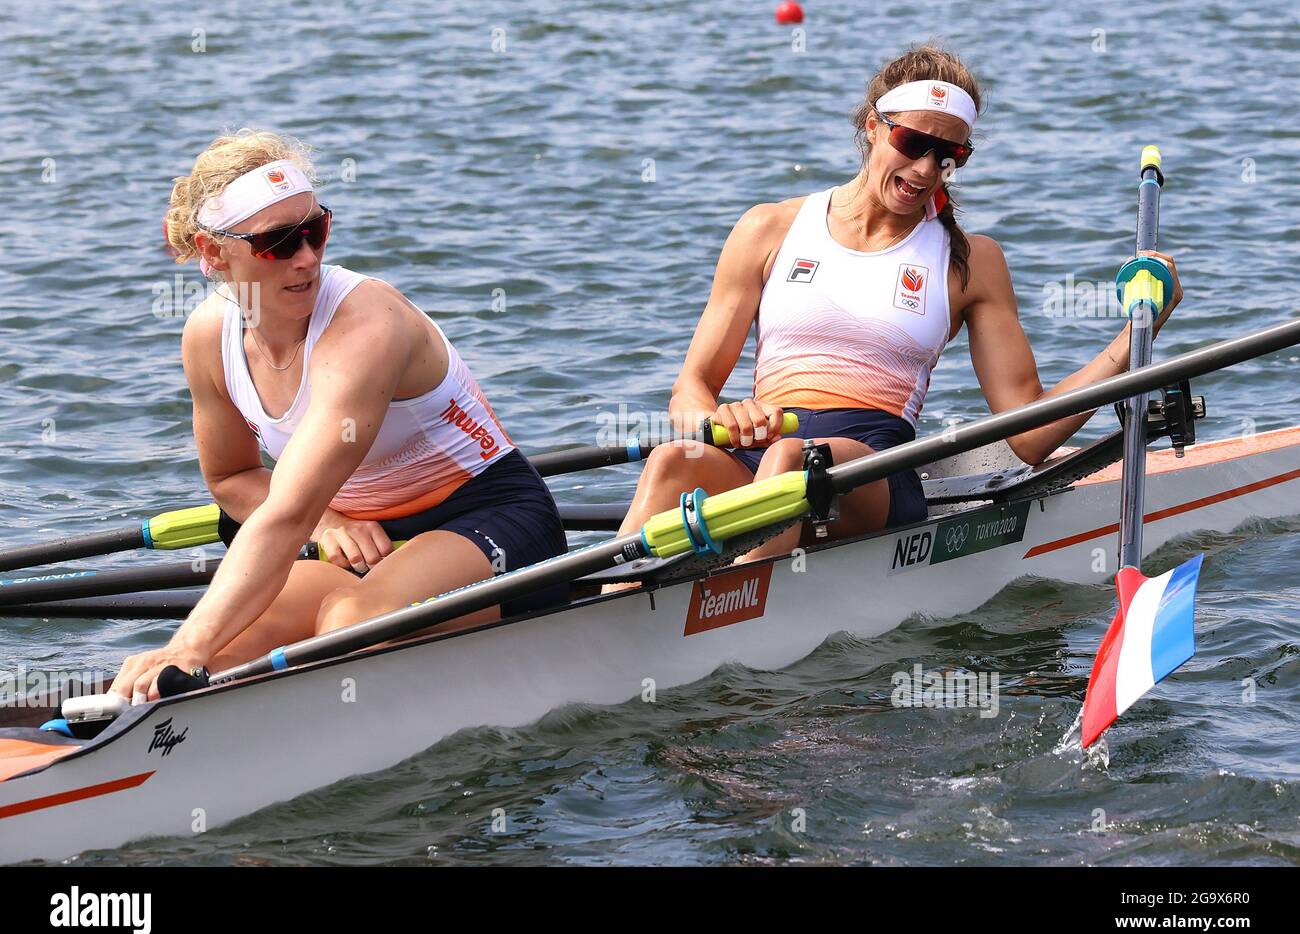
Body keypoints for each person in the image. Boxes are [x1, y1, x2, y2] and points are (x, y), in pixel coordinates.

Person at [607, 44, 1181, 585]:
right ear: (872, 128)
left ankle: (727, 626)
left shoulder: (970, 262)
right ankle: (602, 612)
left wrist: (1135, 335)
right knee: (671, 461)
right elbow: (690, 390)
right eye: (913, 142)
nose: (928, 169)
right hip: (762, 452)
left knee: (790, 462)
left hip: (874, 470)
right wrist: (719, 418)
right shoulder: (769, 229)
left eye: (950, 155)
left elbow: (1026, 433)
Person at [111, 129, 567, 701]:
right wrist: (329, 524)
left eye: (315, 230)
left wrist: (186, 646)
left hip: (489, 517)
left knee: (348, 624)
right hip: (360, 541)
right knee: (222, 651)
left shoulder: (365, 322)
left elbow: (284, 513)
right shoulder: (209, 337)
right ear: (211, 251)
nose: (306, 258)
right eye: (277, 242)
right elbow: (232, 479)